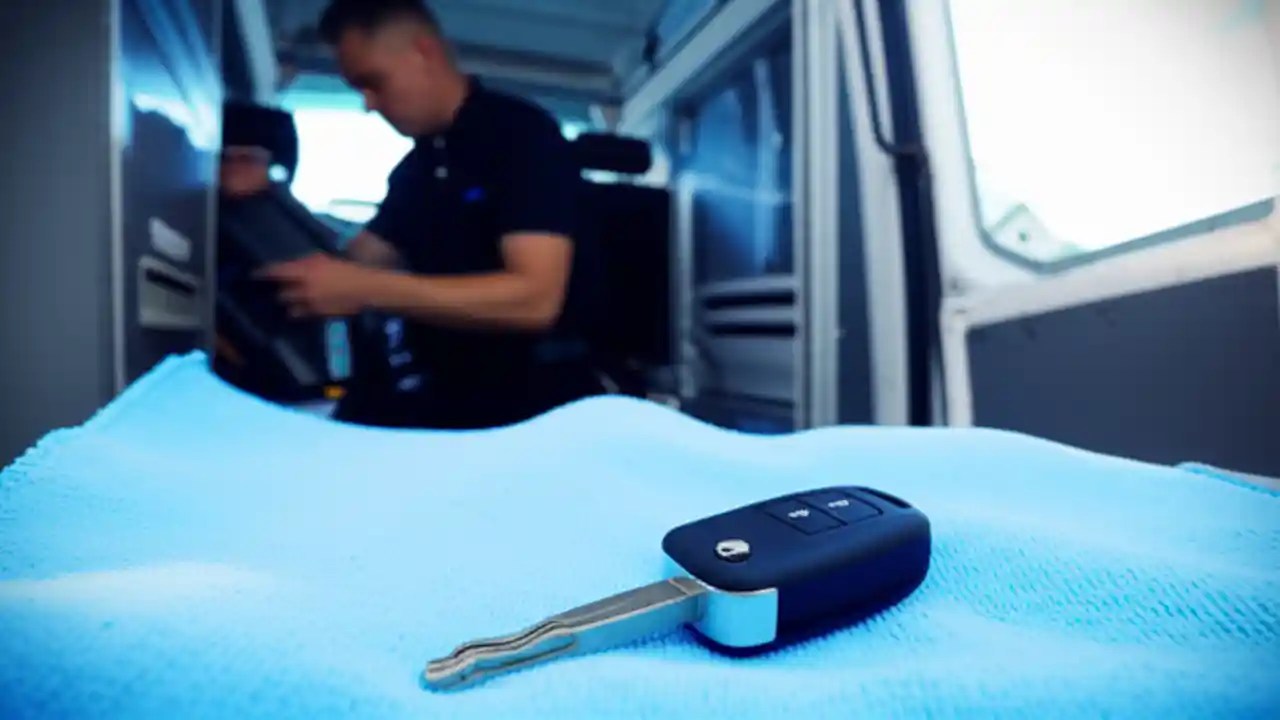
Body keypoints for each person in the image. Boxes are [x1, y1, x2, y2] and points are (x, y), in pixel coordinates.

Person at [258, 0, 604, 429]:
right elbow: (354, 261)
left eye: (373, 82)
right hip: (446, 396)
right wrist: (267, 194)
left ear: (423, 53)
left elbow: (536, 298)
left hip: (536, 407)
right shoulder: (415, 172)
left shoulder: (520, 135)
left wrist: (367, 289)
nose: (368, 104)